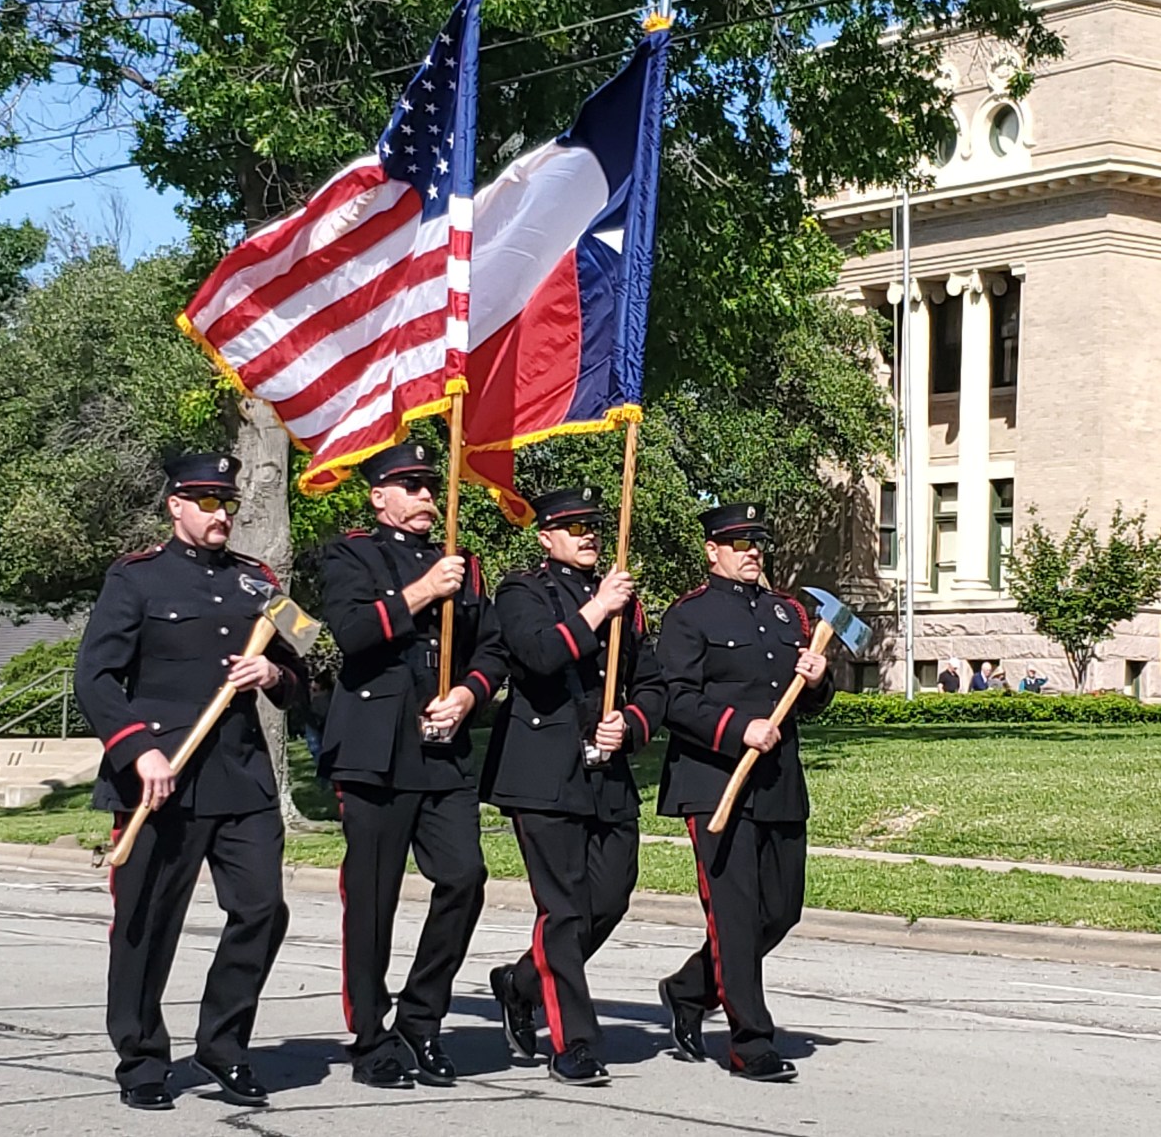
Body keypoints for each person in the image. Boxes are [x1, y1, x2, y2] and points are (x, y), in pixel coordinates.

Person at [74, 453, 305, 1112]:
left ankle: (224, 1044)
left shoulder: (260, 582)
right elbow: (94, 677)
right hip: (159, 778)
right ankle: (142, 1056)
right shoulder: (136, 578)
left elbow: (308, 658)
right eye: (205, 501)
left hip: (240, 778)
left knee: (263, 910)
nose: (220, 513)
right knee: (146, 921)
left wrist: (275, 677)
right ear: (175, 505)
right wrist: (137, 752)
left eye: (225, 501)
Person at [318, 441, 507, 1090]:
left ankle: (420, 1018)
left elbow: (493, 649)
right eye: (414, 486)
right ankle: (371, 1037)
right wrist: (426, 589)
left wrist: (468, 693)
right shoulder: (351, 553)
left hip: (442, 749)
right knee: (373, 900)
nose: (429, 496)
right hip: (374, 751)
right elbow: (352, 633)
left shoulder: (464, 562)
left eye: (432, 486)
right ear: (380, 496)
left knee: (465, 876)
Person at [482, 487, 666, 1086]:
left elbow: (653, 682)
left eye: (593, 525)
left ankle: (521, 983)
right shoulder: (521, 590)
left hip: (605, 769)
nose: (588, 535)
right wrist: (595, 611)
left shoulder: (625, 603)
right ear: (546, 537)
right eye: (574, 526)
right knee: (561, 910)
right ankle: (574, 1043)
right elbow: (536, 655)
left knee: (609, 898)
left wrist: (631, 723)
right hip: (542, 769)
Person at [653, 503, 832, 1084]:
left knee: (778, 912)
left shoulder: (788, 614)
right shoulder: (689, 616)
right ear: (712, 551)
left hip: (778, 781)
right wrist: (737, 728)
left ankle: (687, 989)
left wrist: (817, 680)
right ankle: (749, 1042)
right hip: (714, 785)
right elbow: (675, 702)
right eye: (737, 542)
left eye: (757, 541)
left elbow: (807, 704)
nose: (751, 551)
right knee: (732, 916)